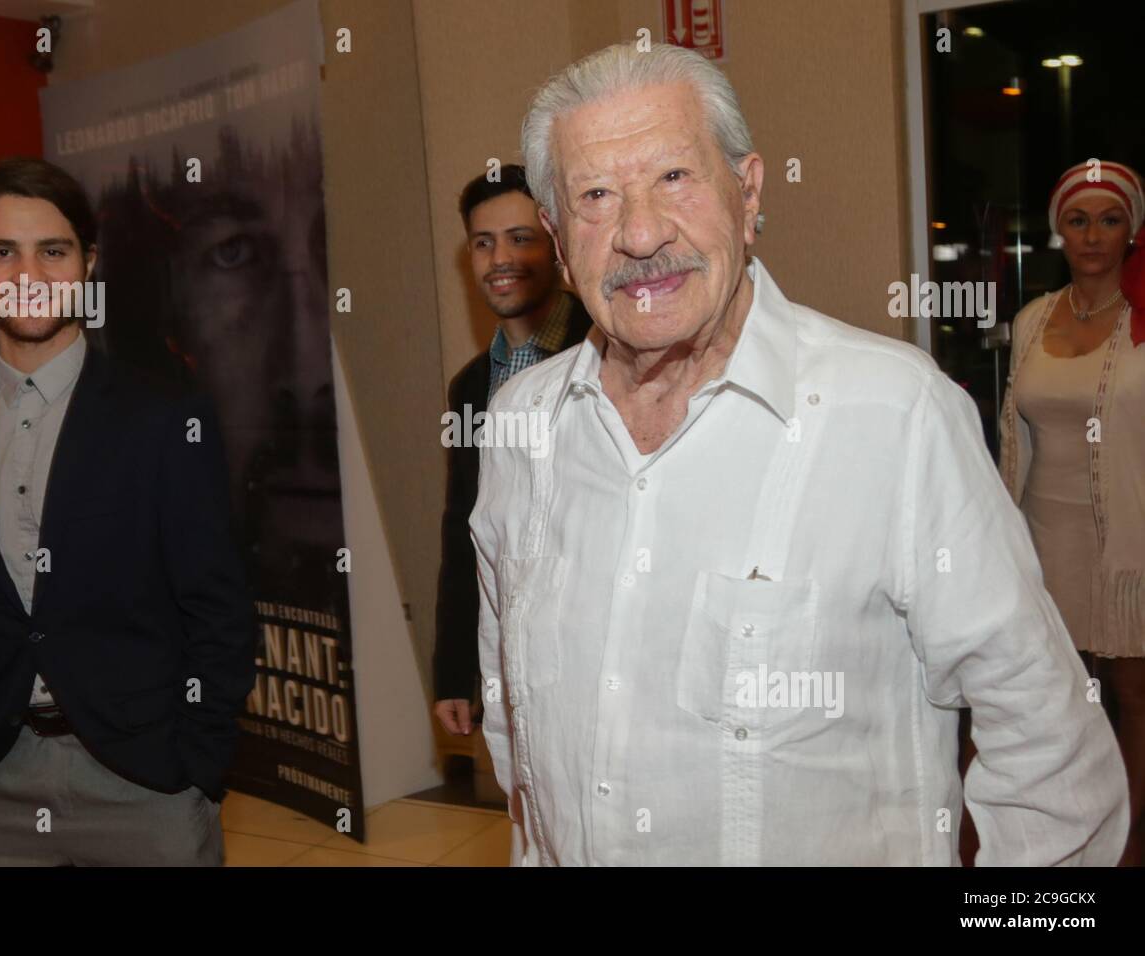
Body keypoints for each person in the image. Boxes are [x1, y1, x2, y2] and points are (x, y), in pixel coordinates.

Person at [472, 43, 1129, 865]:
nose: (640, 233)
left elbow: (1051, 752)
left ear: (747, 193)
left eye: (674, 176)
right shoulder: (521, 427)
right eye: (596, 196)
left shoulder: (895, 415)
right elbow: (517, 732)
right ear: (559, 241)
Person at [0, 157, 256, 865]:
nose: (28, 275)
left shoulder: (165, 417)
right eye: (4, 252)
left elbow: (218, 607)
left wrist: (198, 761)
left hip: (146, 777)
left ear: (88, 263)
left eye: (52, 252)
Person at [999, 160, 1145, 865]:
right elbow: (1012, 438)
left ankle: (1131, 838)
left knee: (1133, 695)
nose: (1092, 236)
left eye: (1109, 220)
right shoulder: (1033, 320)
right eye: (1078, 220)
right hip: (1043, 534)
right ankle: (1070, 825)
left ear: (1131, 231)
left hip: (1128, 539)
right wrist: (1000, 538)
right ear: (1059, 231)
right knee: (1060, 694)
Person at [433, 166, 591, 736]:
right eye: (483, 243)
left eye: (520, 238)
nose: (500, 259)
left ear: (556, 242)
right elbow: (464, 529)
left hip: (596, 642)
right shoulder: (470, 387)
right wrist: (453, 672)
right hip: (513, 654)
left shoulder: (611, 349)